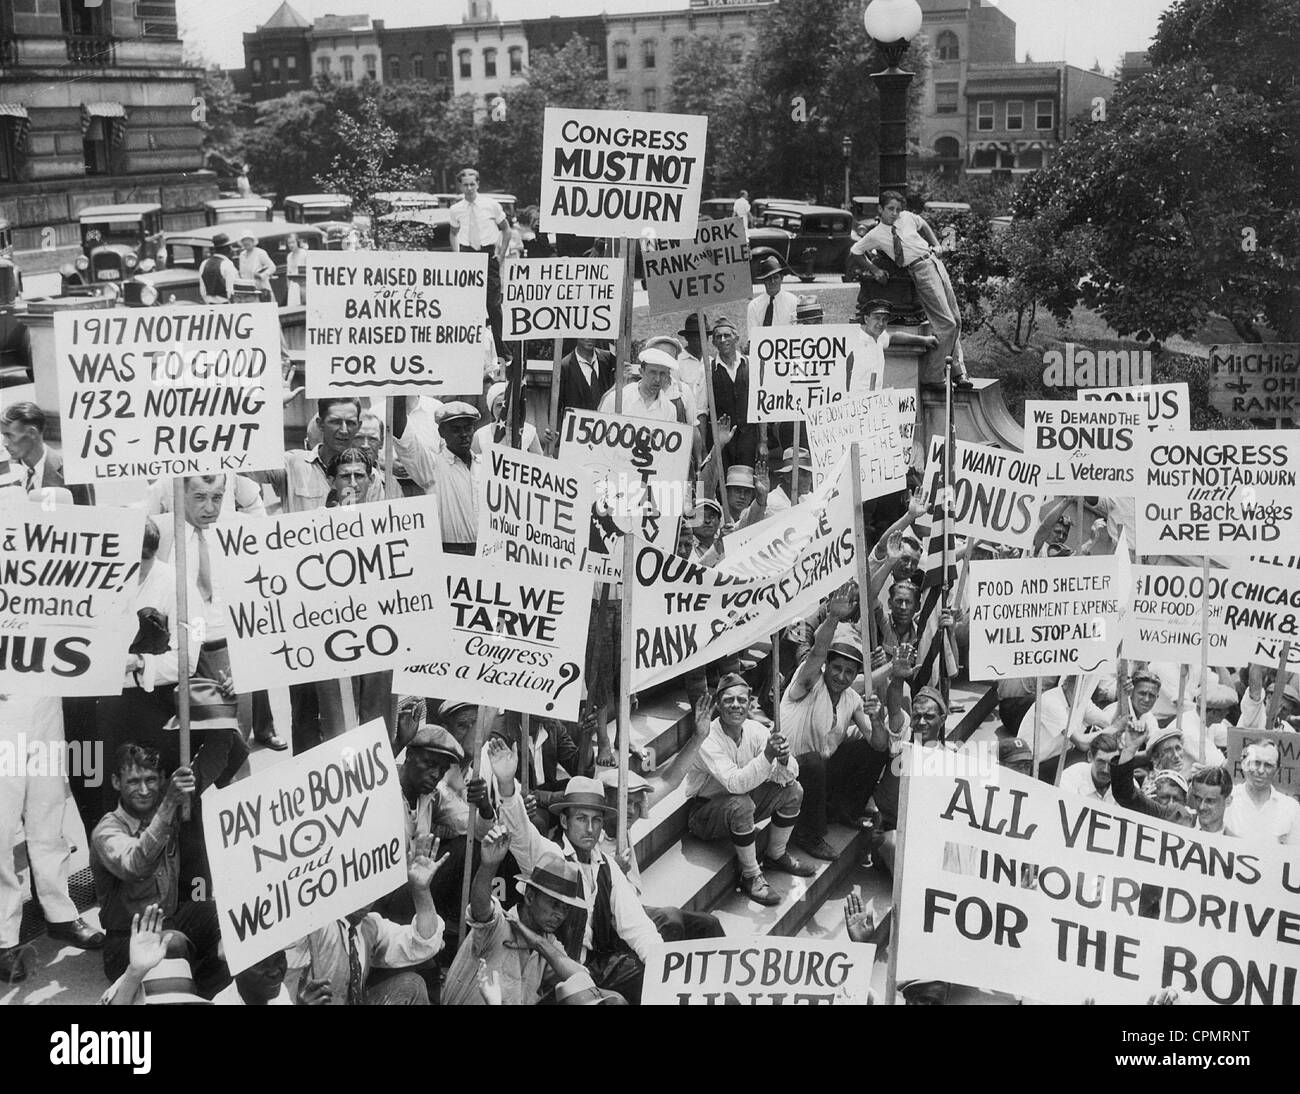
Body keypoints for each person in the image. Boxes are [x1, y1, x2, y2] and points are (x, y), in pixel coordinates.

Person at [479, 755, 663, 1003]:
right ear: (564, 821)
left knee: (647, 971)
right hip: (552, 970)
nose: (590, 828)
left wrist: (661, 962)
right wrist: (507, 787)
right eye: (581, 819)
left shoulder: (607, 865)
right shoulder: (551, 856)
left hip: (591, 967)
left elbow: (636, 924)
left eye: (596, 820)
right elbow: (521, 833)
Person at [91, 744, 227, 996]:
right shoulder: (106, 831)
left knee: (226, 914)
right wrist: (167, 806)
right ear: (116, 782)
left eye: (151, 780)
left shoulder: (165, 800)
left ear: (162, 779)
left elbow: (213, 760)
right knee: (172, 942)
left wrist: (229, 712)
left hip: (172, 920)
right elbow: (135, 864)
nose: (143, 790)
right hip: (127, 943)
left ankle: (211, 993)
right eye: (133, 781)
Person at [441, 825, 617, 1005]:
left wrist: (538, 943)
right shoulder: (499, 924)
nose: (560, 915)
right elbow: (480, 906)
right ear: (530, 896)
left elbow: (583, 982)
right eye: (555, 905)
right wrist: (488, 866)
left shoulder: (548, 942)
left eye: (565, 909)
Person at [682, 673, 815, 907]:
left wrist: (783, 759)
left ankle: (776, 854)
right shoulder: (708, 738)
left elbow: (788, 775)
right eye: (729, 700)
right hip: (704, 814)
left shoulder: (755, 729)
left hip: (741, 803)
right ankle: (751, 875)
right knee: (742, 803)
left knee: (793, 791)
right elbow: (736, 783)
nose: (736, 706)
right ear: (718, 704)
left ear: (749, 702)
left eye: (741, 700)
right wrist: (767, 756)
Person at [0, 690, 104, 982]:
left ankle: (60, 914)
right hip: (3, 707)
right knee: (1, 829)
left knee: (47, 813)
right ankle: (4, 938)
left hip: (45, 699)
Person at [782, 585, 891, 860]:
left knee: (874, 749)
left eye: (849, 672)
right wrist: (832, 618)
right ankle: (810, 834)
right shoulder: (808, 680)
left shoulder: (852, 697)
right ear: (826, 667)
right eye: (836, 668)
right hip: (788, 772)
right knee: (815, 763)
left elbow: (879, 744)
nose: (841, 677)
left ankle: (845, 810)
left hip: (818, 775)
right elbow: (817, 651)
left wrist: (877, 721)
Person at [283, 834, 448, 1005]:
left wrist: (421, 891)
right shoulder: (313, 926)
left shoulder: (368, 926)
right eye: (357, 880)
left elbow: (421, 944)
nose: (365, 893)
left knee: (411, 985)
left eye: (371, 882)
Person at [849, 190, 972, 388]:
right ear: (880, 209)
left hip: (934, 262)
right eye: (890, 209)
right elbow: (855, 251)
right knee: (946, 324)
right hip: (920, 270)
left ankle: (958, 371)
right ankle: (932, 376)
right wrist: (875, 270)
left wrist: (936, 244)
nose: (894, 213)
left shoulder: (906, 218)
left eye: (897, 209)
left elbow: (923, 224)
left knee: (956, 320)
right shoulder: (876, 234)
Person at [392, 400, 482, 554]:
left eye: (468, 428)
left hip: (484, 553)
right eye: (456, 430)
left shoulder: (486, 465)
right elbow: (403, 436)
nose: (464, 435)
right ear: (441, 432)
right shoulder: (431, 466)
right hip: (449, 553)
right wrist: (398, 387)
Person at [448, 167, 509, 361]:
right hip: (468, 256)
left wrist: (501, 255)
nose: (469, 188)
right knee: (468, 306)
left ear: (478, 184)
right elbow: (453, 233)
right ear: (460, 186)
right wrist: (457, 256)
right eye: (465, 185)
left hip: (488, 255)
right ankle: (470, 355)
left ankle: (504, 354)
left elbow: (506, 230)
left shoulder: (491, 205)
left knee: (493, 305)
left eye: (472, 184)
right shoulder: (455, 209)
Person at [1, 400, 94, 505]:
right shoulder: (4, 474)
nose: (4, 443)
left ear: (32, 433)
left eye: (9, 435)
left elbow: (90, 519)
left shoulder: (74, 472)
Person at [848, 298, 937, 396]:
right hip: (855, 401)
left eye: (885, 319)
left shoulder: (880, 337)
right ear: (866, 319)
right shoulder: (855, 339)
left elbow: (894, 336)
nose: (881, 324)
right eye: (876, 318)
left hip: (875, 399)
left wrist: (924, 340)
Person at [706, 315, 759, 468]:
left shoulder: (751, 364)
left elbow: (761, 405)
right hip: (721, 440)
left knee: (746, 483)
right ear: (714, 342)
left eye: (727, 335)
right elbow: (702, 410)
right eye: (718, 337)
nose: (723, 340)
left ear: (736, 338)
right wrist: (704, 446)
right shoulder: (708, 370)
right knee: (723, 485)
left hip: (748, 439)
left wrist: (762, 441)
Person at [1224, 740, 1300, 844]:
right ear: (1243, 764)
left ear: (1278, 770)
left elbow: (1295, 854)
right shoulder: (1225, 799)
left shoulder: (1291, 808)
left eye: (1268, 765)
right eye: (1255, 763)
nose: (1260, 770)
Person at [598, 346, 690, 424]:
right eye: (652, 372)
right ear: (641, 372)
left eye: (662, 374)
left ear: (667, 376)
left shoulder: (669, 410)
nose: (657, 379)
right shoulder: (617, 399)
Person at [555, 337, 616, 432]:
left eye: (592, 333)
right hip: (577, 433)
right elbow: (556, 406)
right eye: (585, 333)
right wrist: (557, 432)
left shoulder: (609, 359)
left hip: (605, 430)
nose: (589, 337)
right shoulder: (564, 367)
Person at [472, 380, 543, 456]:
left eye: (508, 404)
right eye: (499, 405)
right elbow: (473, 463)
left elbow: (541, 463)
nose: (504, 410)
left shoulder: (529, 431)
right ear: (491, 408)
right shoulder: (480, 435)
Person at [213, 950, 294, 1005]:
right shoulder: (221, 1003)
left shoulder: (279, 991)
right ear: (235, 970)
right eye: (261, 964)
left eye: (279, 959)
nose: (275, 972)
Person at [1059, 732, 1120, 802]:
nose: (1105, 770)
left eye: (1112, 764)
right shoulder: (1070, 778)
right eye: (1101, 762)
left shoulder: (1127, 783)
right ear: (1090, 756)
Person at [746, 253, 798, 335]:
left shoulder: (793, 302)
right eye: (768, 278)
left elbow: (797, 332)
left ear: (782, 278)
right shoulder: (754, 306)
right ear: (763, 281)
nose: (772, 281)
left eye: (776, 277)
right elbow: (752, 336)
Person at [198, 233, 237, 304]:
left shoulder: (204, 263)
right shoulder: (227, 264)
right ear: (226, 248)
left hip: (210, 305)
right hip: (226, 305)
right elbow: (231, 292)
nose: (232, 249)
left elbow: (203, 291)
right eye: (230, 246)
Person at [236, 230, 275, 295]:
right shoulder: (242, 255)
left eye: (248, 240)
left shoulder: (260, 253)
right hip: (248, 291)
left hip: (262, 290)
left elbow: (272, 267)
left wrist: (261, 275)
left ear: (253, 241)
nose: (246, 242)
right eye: (244, 240)